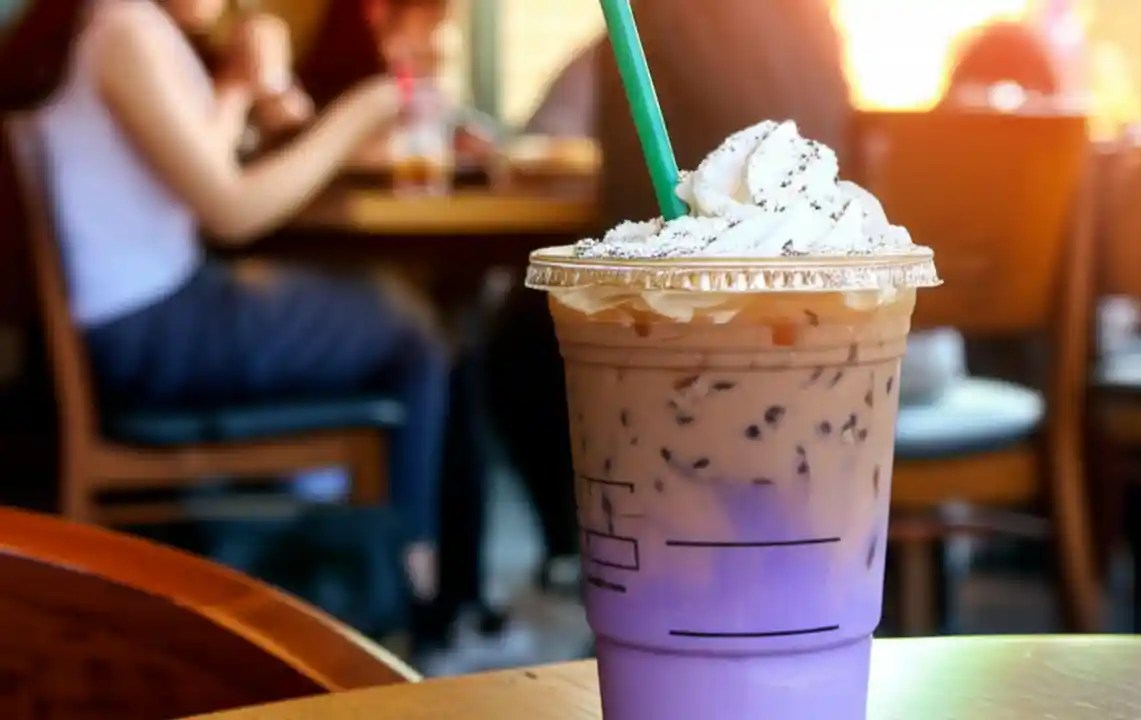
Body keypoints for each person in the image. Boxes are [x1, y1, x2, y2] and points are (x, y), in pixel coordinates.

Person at [25, 0, 453, 616]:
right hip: (150, 331)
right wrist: (362, 112)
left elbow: (206, 166)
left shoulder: (125, 27)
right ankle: (412, 584)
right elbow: (230, 211)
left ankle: (403, 567)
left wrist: (235, 85)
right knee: (411, 335)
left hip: (149, 314)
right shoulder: (124, 31)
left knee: (392, 310)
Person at [495, 0, 853, 591]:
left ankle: (585, 545)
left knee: (516, 341)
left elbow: (622, 191)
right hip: (827, 332)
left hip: (679, 341)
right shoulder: (810, 20)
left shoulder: (655, 27)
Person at [299, 0, 494, 168]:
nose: (441, 48)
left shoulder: (423, 94)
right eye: (433, 23)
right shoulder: (359, 99)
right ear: (378, 12)